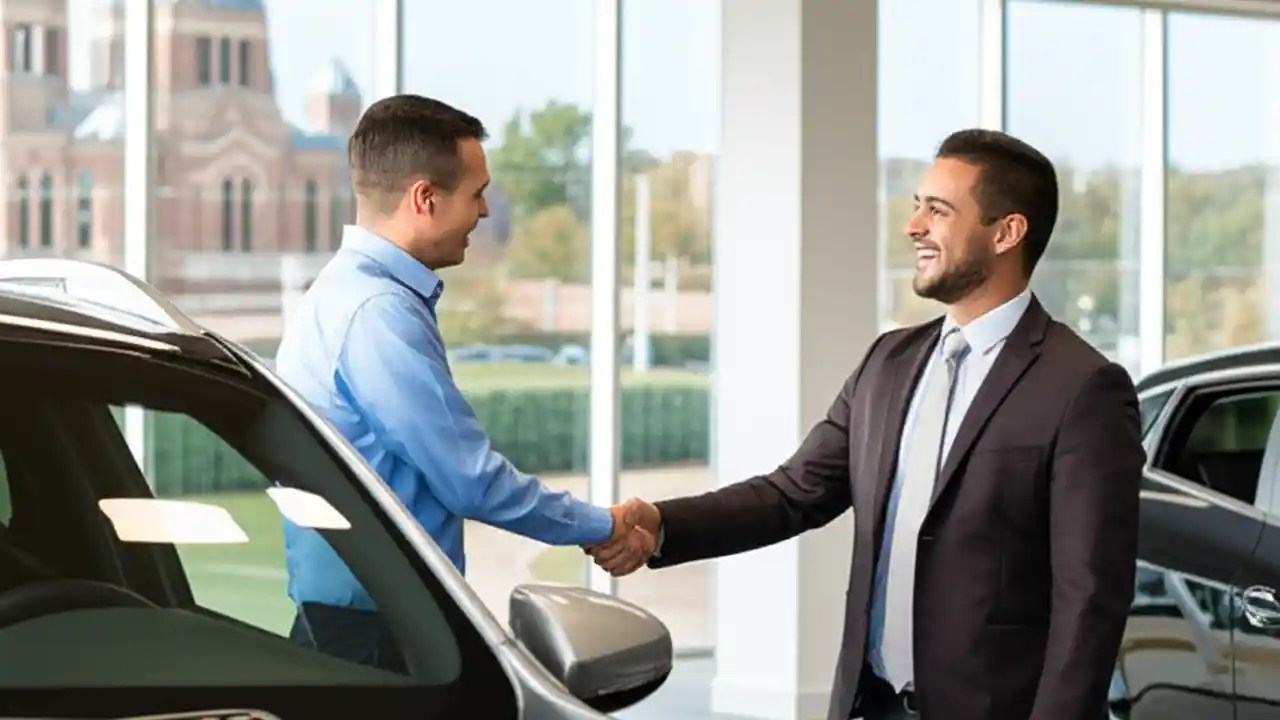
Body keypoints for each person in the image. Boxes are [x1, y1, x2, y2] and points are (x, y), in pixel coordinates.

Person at [589, 129, 1145, 720]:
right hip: (869, 706)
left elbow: (1090, 599)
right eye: (917, 207)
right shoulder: (888, 363)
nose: (914, 227)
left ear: (1007, 232)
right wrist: (663, 525)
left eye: (938, 210)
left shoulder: (1083, 388)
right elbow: (792, 493)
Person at [274, 94, 648, 672]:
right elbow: (468, 479)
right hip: (378, 639)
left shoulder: (345, 294)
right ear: (425, 198)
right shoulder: (377, 312)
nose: (485, 213)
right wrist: (602, 524)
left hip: (357, 628)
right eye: (476, 194)